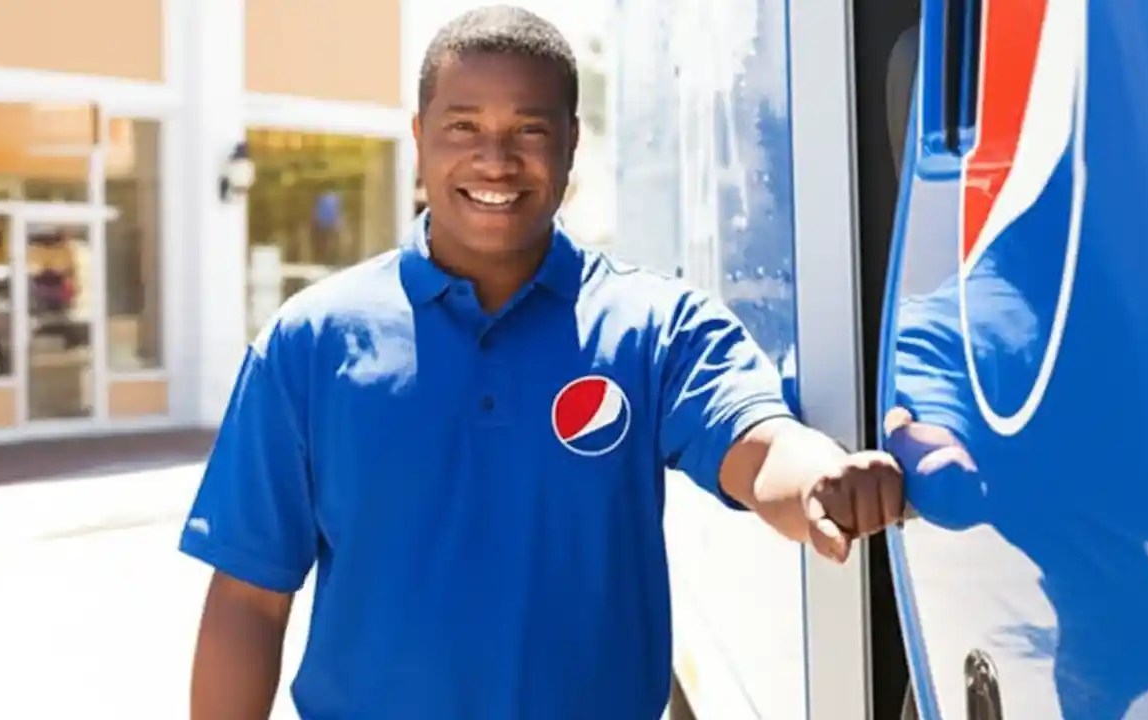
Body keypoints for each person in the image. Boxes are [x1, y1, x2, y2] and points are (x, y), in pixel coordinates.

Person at [179, 6, 904, 719]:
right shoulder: (310, 342)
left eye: (529, 129)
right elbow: (249, 597)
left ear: (571, 143)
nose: (495, 160)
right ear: (420, 136)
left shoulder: (654, 326)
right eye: (463, 126)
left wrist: (821, 477)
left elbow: (760, 440)